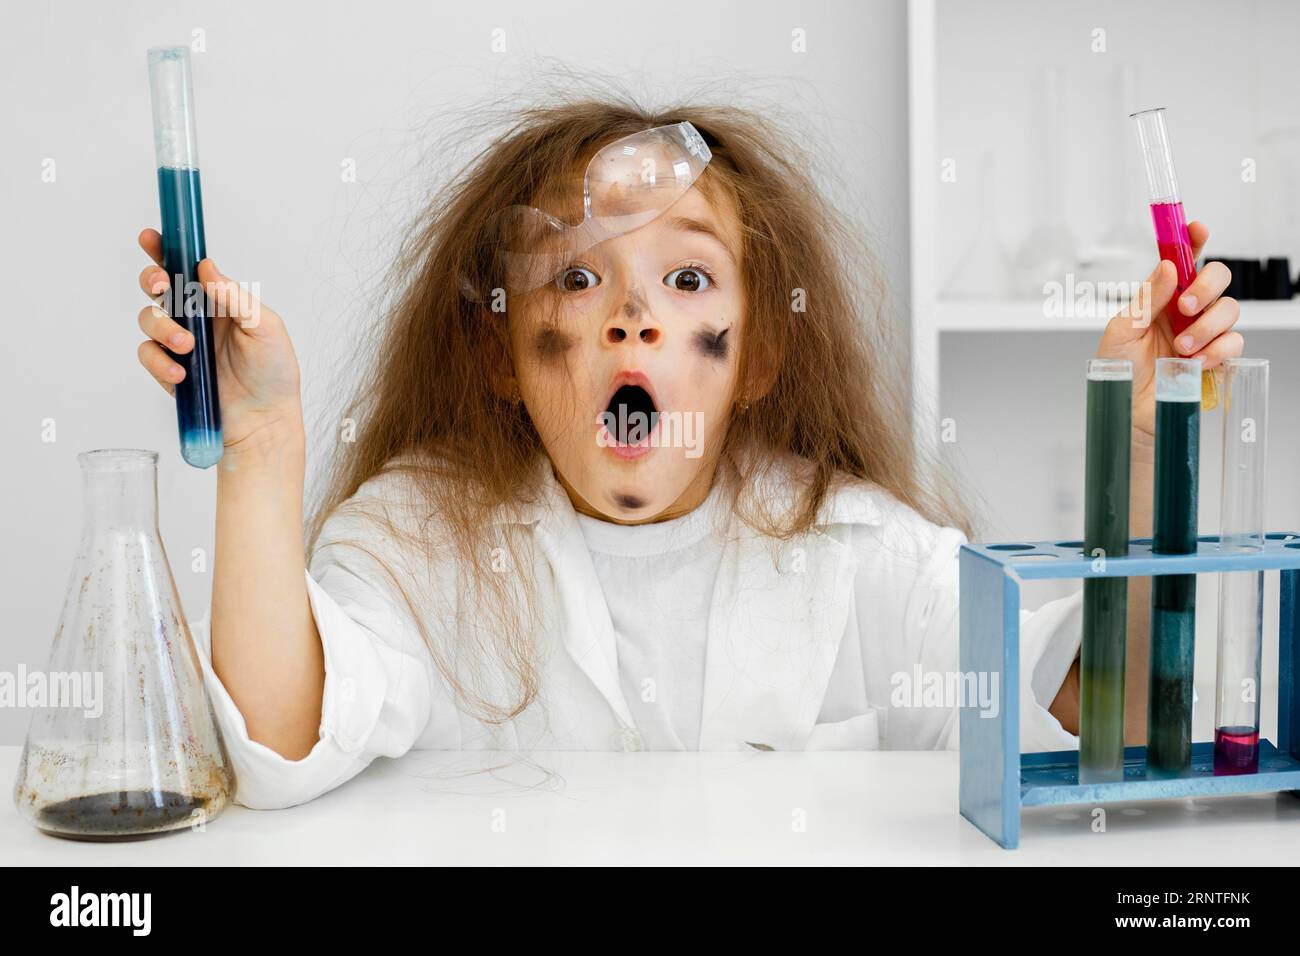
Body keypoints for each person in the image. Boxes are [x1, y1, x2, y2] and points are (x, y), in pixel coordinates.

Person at [132, 101, 1242, 810]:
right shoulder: (419, 537)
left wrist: (1144, 447)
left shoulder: (855, 546)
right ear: (499, 351)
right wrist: (265, 448)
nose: (633, 320)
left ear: (756, 357)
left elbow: (1095, 723)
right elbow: (279, 735)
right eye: (575, 277)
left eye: (688, 279)